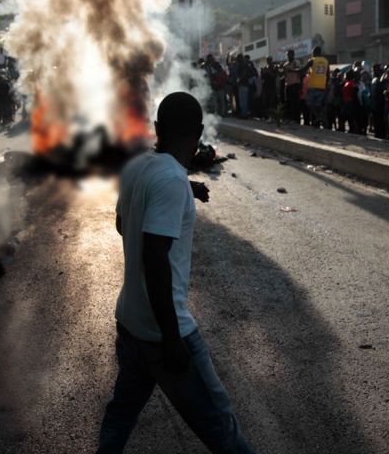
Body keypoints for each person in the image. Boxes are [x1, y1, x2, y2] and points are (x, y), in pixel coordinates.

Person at [97, 92, 256, 454]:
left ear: (157, 128)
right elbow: (155, 258)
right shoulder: (170, 180)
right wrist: (172, 338)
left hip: (130, 323)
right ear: (199, 132)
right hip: (162, 332)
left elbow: (124, 223)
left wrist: (187, 189)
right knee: (221, 428)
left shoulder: (138, 167)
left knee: (121, 414)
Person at [304, 46, 329, 128]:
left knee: (309, 104)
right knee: (318, 105)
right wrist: (325, 85)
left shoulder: (312, 60)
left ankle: (318, 117)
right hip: (322, 87)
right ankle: (316, 123)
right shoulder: (326, 61)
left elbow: (303, 69)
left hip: (313, 86)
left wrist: (295, 70)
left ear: (314, 53)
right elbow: (328, 75)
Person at [282, 49, 303, 124]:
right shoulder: (285, 64)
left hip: (295, 84)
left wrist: (291, 70)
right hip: (288, 84)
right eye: (287, 55)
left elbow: (299, 70)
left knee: (295, 103)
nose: (288, 56)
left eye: (290, 54)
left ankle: (296, 119)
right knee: (288, 102)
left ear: (293, 55)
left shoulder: (296, 62)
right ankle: (289, 118)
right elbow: (284, 75)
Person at [370, 64, 388, 139]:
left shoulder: (382, 79)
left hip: (380, 103)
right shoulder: (374, 79)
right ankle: (378, 134)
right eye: (373, 70)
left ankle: (381, 134)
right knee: (376, 120)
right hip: (374, 103)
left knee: (380, 120)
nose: (374, 71)